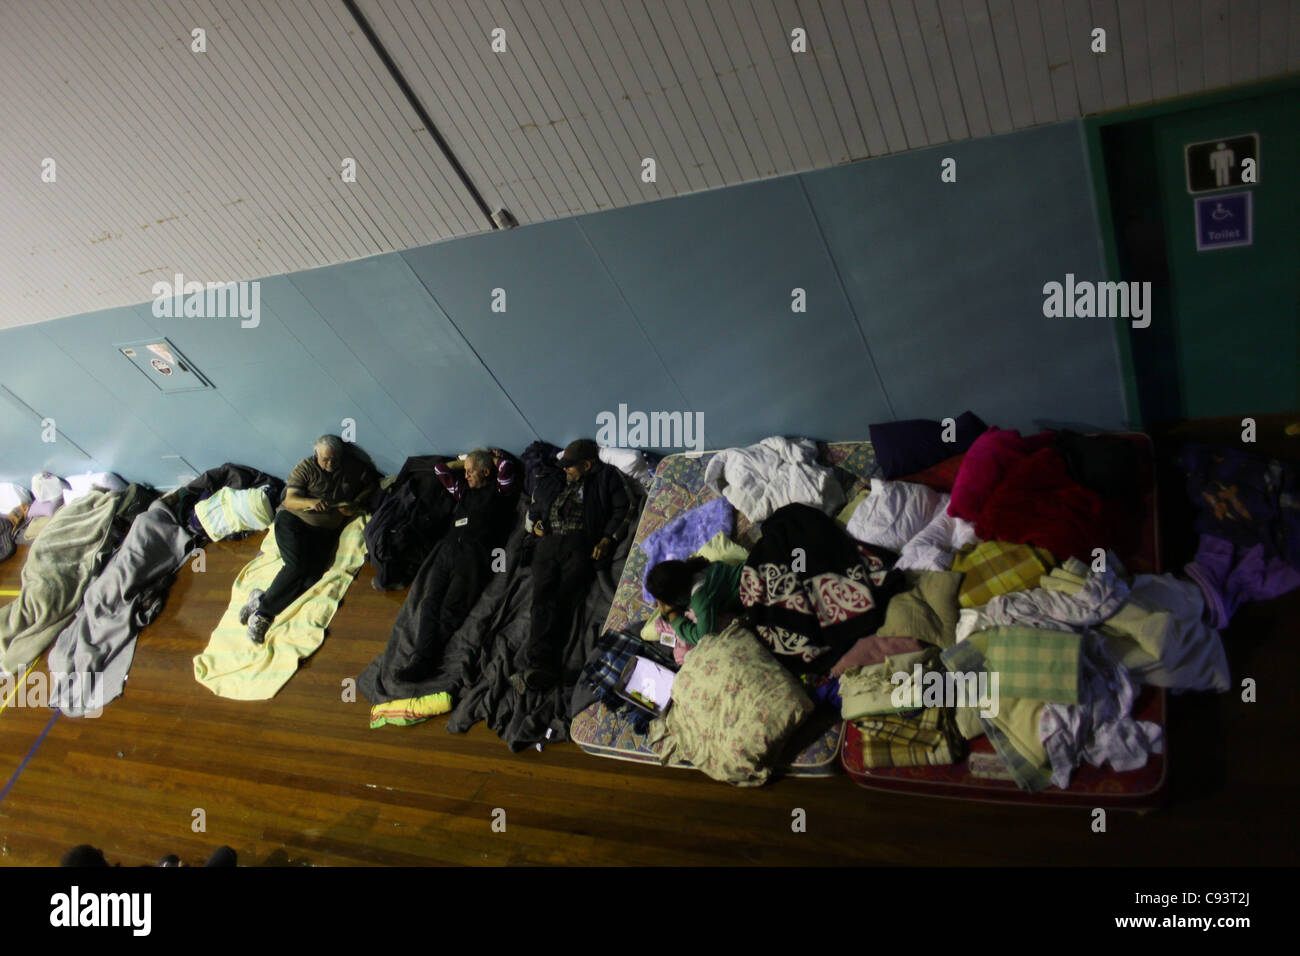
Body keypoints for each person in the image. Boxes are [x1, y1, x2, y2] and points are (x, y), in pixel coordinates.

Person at [510, 439, 635, 692]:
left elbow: (624, 509)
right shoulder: (556, 479)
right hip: (549, 542)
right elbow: (538, 506)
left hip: (579, 543)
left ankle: (548, 664)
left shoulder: (606, 478)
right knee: (541, 600)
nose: (565, 468)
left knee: (563, 600)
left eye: (570, 465)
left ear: (587, 465)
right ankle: (539, 664)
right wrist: (537, 524)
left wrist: (607, 539)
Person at [396, 448, 520, 682]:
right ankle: (421, 657)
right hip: (448, 552)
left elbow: (506, 468)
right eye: (465, 471)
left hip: (473, 558)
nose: (466, 475)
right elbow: (440, 469)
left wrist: (489, 458)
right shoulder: (464, 492)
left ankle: (424, 660)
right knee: (429, 602)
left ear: (486, 472)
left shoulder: (499, 492)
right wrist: (466, 461)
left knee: (451, 609)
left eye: (471, 471)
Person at [241, 435, 378, 644]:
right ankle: (262, 615)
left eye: (334, 459)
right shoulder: (305, 468)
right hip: (294, 522)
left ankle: (261, 598)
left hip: (324, 532)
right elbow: (291, 500)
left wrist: (355, 503)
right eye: (325, 459)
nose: (330, 464)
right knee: (296, 566)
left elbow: (371, 484)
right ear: (316, 455)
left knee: (311, 579)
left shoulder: (352, 467)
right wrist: (311, 502)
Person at [645, 556, 744, 646]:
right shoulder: (702, 569)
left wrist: (674, 618)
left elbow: (703, 638)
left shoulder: (700, 598)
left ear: (675, 598)